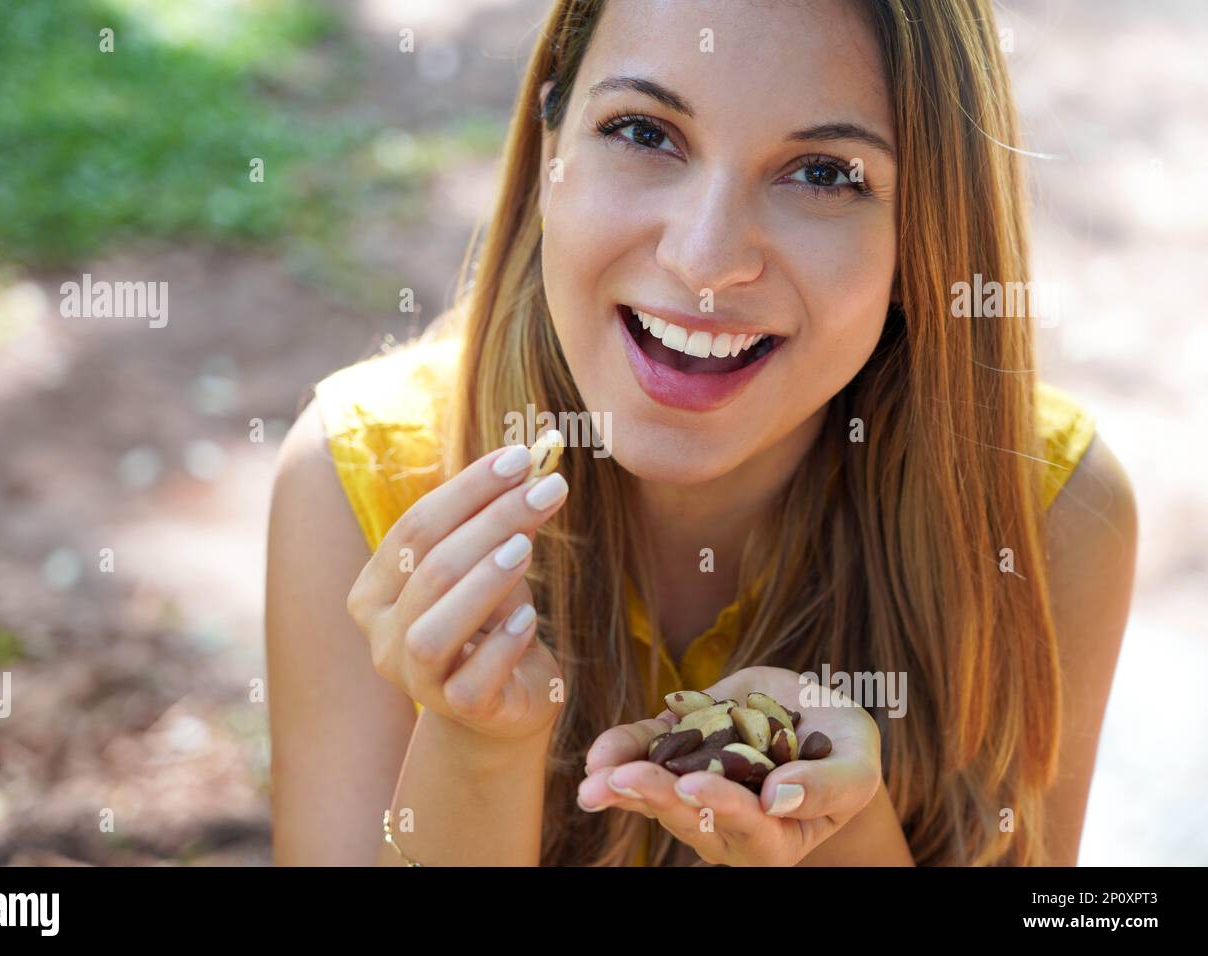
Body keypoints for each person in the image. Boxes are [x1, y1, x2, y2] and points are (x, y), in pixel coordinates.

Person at [266, 0, 1137, 866]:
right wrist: (476, 747)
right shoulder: (362, 476)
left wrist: (834, 837)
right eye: (645, 132)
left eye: (826, 173)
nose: (707, 258)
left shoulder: (1046, 509)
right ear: (548, 151)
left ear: (924, 238)